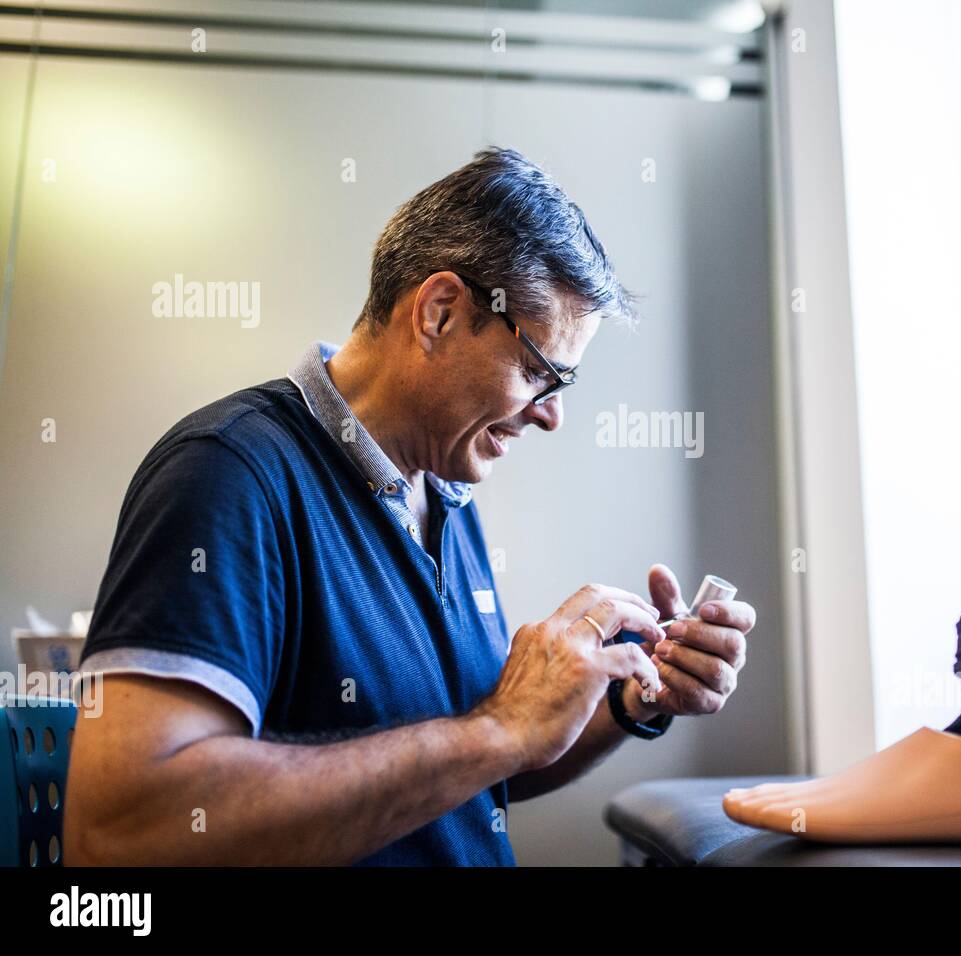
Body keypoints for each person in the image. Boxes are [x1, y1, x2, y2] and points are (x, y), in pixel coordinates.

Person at [63, 146, 756, 865]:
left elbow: (469, 769)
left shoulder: (445, 497)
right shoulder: (228, 474)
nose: (550, 417)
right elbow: (122, 832)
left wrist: (635, 695)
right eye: (537, 373)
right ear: (440, 313)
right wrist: (501, 728)